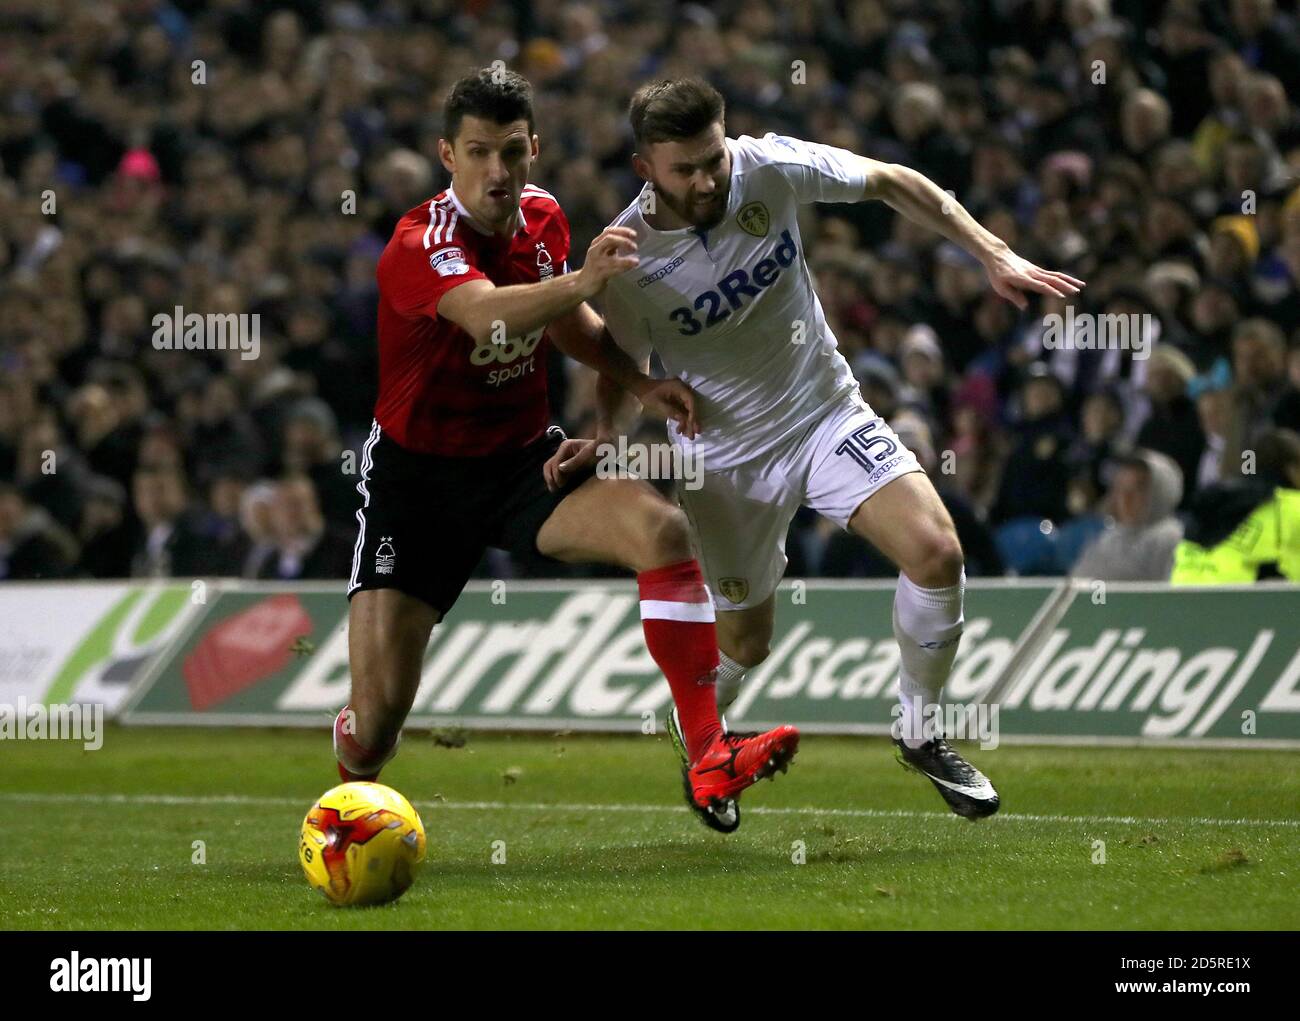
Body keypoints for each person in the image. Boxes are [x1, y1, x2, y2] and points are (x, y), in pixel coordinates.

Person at [561, 78, 1083, 818]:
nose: (709, 179)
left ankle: (920, 731)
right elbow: (621, 358)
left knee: (937, 552)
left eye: (714, 157)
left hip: (823, 413)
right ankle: (702, 736)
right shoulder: (627, 255)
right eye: (687, 169)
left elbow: (893, 181)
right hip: (724, 458)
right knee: (745, 643)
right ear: (646, 168)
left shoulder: (768, 167)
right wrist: (612, 431)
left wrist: (993, 253)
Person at [339, 68, 799, 833]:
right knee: (379, 720)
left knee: (662, 531)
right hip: (416, 489)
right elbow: (488, 317)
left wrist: (637, 383)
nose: (498, 172)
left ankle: (708, 753)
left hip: (523, 464)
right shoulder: (420, 244)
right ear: (445, 154)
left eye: (513, 153)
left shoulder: (544, 219)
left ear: (533, 150)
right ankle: (348, 795)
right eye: (479, 152)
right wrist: (584, 279)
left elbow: (565, 324)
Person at [1070, 450, 1185, 582]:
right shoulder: (1108, 538)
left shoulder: (1170, 538)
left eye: (1138, 489)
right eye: (1121, 488)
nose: (1126, 498)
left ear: (1162, 490)